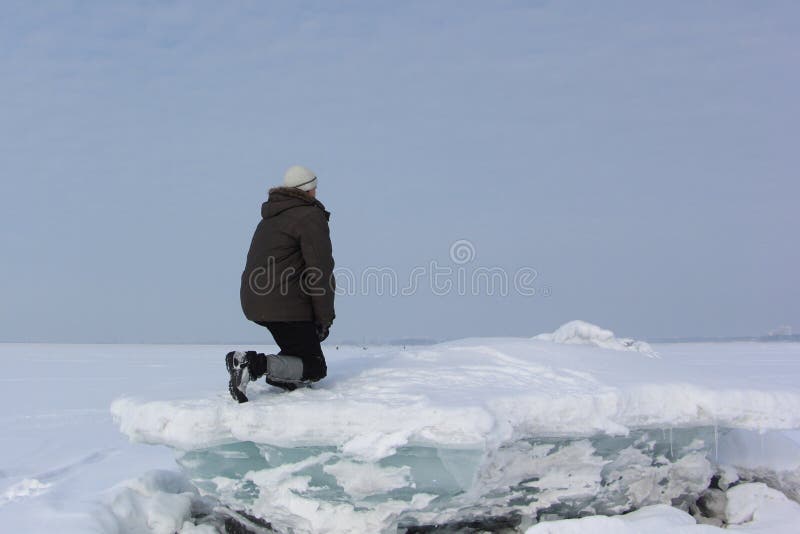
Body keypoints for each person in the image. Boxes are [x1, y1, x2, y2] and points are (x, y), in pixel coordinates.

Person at [226, 165, 335, 403]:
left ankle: (281, 376)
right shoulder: (309, 215)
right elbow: (319, 269)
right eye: (315, 187)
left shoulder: (270, 218)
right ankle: (252, 364)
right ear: (309, 190)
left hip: (256, 299)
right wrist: (324, 318)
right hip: (285, 303)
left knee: (296, 353)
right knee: (314, 367)